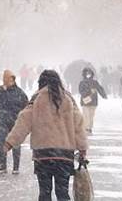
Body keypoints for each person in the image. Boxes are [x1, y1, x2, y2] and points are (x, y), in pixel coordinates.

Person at [5, 70, 88, 201]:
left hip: (43, 155)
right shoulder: (68, 99)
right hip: (64, 155)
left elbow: (23, 121)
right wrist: (82, 148)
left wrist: (10, 142)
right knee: (62, 194)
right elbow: (78, 125)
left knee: (44, 193)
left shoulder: (36, 98)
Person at [0, 70, 29, 174]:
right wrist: (0, 91)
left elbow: (26, 105)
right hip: (3, 121)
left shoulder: (19, 92)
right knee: (2, 142)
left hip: (15, 122)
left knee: (15, 143)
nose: (8, 81)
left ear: (13, 79)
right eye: (6, 79)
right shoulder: (0, 90)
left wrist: (22, 116)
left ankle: (16, 167)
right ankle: (3, 166)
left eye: (10, 79)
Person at [79, 67, 107, 134]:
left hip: (93, 102)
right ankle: (87, 128)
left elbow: (100, 88)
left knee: (91, 116)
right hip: (85, 101)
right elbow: (81, 92)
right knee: (86, 115)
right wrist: (89, 91)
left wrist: (103, 95)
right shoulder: (82, 83)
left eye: (89, 73)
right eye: (87, 73)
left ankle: (89, 127)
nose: (88, 75)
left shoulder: (94, 82)